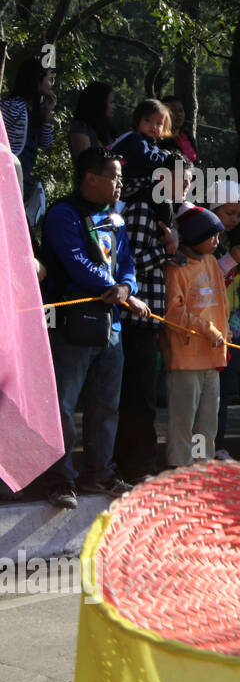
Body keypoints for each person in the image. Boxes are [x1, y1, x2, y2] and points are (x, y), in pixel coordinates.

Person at [38, 148, 150, 508]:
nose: (120, 184)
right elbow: (76, 262)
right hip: (71, 324)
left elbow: (128, 264)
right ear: (90, 177)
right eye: (114, 176)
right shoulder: (62, 214)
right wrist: (115, 289)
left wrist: (127, 288)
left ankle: (99, 472)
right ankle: (60, 479)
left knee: (106, 405)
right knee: (63, 405)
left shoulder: (115, 218)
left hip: (111, 324)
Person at [114, 150, 194, 481]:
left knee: (144, 395)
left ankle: (138, 462)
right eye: (185, 179)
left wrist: (172, 256)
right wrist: (168, 251)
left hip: (153, 319)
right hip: (134, 317)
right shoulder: (142, 207)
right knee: (137, 396)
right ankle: (135, 467)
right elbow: (127, 262)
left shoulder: (163, 210)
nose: (189, 186)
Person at [163, 207, 229, 468]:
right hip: (187, 359)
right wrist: (207, 329)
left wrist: (225, 333)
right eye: (211, 235)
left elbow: (221, 303)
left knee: (207, 421)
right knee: (183, 420)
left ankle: (202, 467)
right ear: (194, 235)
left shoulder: (212, 263)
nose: (216, 241)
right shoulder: (176, 269)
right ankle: (179, 469)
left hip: (212, 357)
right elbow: (173, 313)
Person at [209, 180, 240, 459]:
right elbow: (201, 276)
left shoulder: (236, 239)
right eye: (228, 212)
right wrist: (230, 259)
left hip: (233, 324)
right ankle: (201, 449)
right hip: (207, 326)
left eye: (238, 214)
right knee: (207, 393)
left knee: (226, 390)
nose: (234, 219)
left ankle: (218, 446)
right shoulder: (199, 236)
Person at [2, 56, 56, 223]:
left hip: (22, 173)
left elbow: (46, 143)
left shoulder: (37, 111)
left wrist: (47, 115)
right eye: (48, 79)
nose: (51, 84)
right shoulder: (14, 105)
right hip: (7, 171)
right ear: (36, 80)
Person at [111, 99, 172, 208]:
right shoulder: (136, 139)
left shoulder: (150, 143)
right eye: (147, 120)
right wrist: (166, 155)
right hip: (129, 185)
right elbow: (148, 160)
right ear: (137, 120)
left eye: (159, 123)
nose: (153, 126)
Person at [67, 82, 117, 159]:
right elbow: (85, 162)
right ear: (99, 103)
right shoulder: (80, 127)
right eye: (111, 102)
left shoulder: (107, 130)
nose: (114, 107)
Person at [161, 95, 199, 163]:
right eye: (173, 111)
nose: (178, 114)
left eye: (181, 111)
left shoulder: (187, 134)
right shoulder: (160, 139)